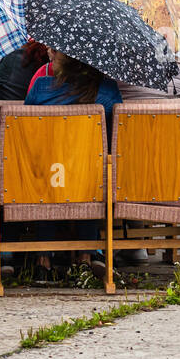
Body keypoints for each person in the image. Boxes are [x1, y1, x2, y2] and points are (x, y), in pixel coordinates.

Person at [23, 49, 123, 280]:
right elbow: (115, 134)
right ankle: (86, 258)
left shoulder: (40, 87)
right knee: (88, 172)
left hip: (47, 176)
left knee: (48, 173)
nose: (51, 54)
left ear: (69, 60)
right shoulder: (106, 92)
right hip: (88, 178)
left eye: (56, 52)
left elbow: (26, 128)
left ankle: (43, 260)